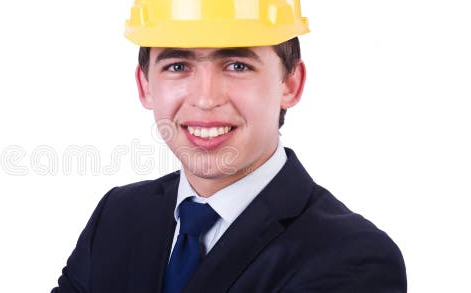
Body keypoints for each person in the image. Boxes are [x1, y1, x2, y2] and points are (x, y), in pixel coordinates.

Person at [53, 0, 406, 292]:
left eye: (237, 65)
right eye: (178, 65)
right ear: (145, 86)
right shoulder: (118, 215)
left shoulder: (354, 258)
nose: (206, 99)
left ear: (291, 85)